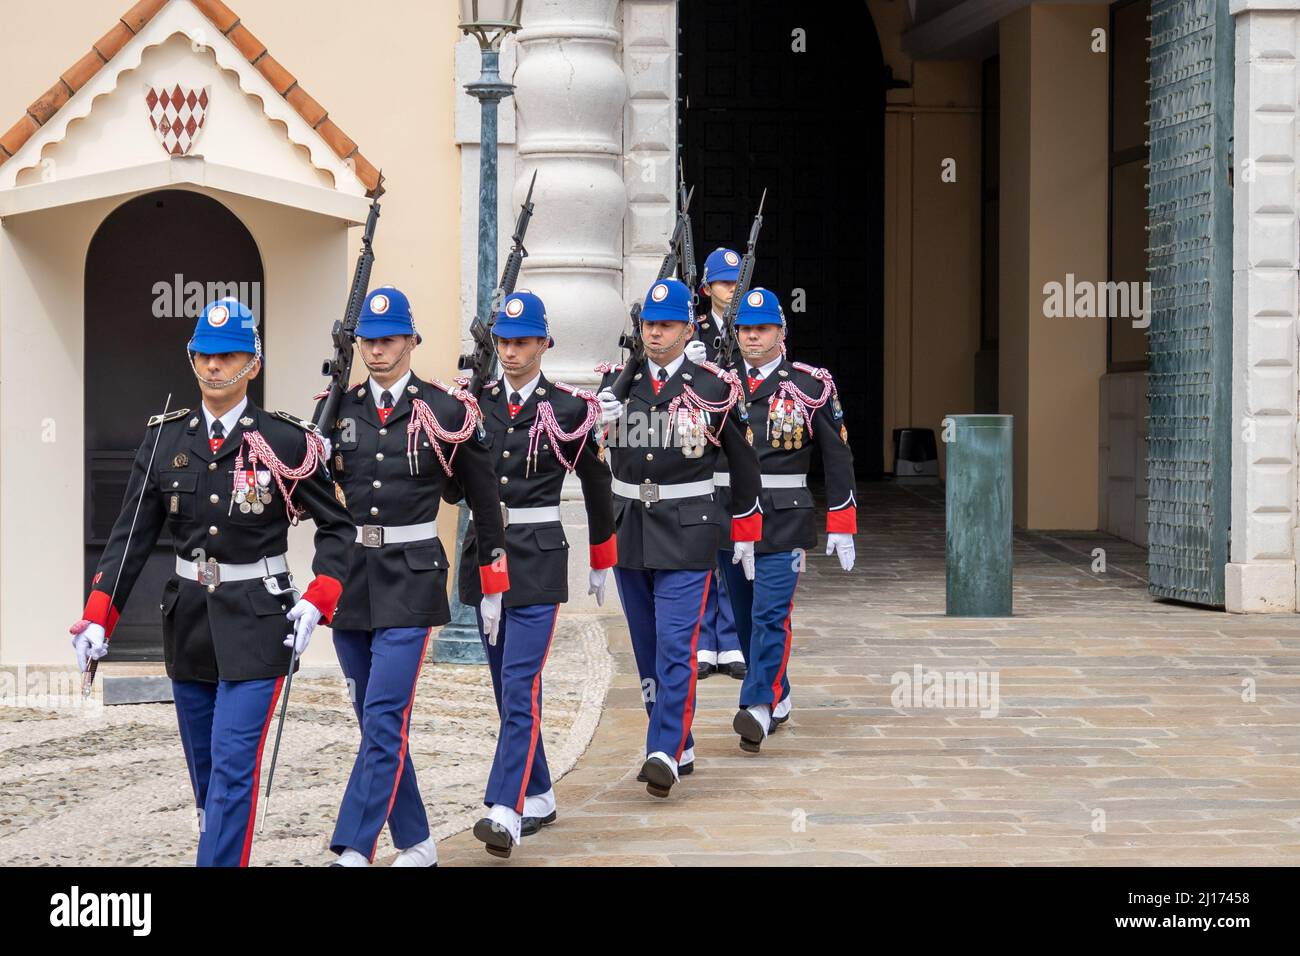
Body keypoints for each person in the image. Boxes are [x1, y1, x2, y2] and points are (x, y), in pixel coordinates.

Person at [70, 297, 354, 867]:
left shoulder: (286, 441)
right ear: (191, 358)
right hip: (190, 622)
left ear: (253, 361)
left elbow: (339, 528)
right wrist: (100, 615)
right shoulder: (164, 440)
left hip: (258, 619)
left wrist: (319, 598)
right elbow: (130, 536)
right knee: (206, 771)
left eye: (228, 356)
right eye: (205, 355)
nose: (215, 367)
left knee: (230, 768)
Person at [318, 286, 510, 868]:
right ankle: (419, 841)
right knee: (375, 721)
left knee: (383, 715)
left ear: (411, 342)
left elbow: (484, 501)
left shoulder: (445, 411)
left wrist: (493, 587)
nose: (377, 351)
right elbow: (305, 495)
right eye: (369, 342)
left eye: (389, 341)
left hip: (410, 577)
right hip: (351, 577)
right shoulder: (336, 410)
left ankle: (355, 845)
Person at [447, 290, 615, 858]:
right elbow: (453, 489)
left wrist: (601, 554)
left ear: (545, 343)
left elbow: (596, 484)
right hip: (485, 553)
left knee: (520, 682)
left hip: (540, 555)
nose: (512, 351)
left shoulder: (570, 408)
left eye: (523, 342)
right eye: (504, 342)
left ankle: (505, 806)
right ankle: (539, 789)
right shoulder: (476, 404)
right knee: (505, 687)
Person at [595, 277, 763, 798]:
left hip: (688, 529)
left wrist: (745, 530)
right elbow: (594, 463)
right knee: (646, 647)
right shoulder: (616, 385)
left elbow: (743, 463)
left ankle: (663, 747)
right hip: (632, 530)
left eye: (666, 325)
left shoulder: (713, 387)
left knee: (675, 645)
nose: (655, 333)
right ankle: (676, 735)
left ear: (688, 329)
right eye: (648, 324)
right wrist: (600, 425)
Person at [712, 288, 856, 753]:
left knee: (770, 613)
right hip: (730, 516)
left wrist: (842, 519)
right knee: (743, 614)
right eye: (745, 330)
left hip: (784, 518)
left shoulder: (810, 384)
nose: (753, 338)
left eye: (762, 329)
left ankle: (756, 704)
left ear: (781, 332)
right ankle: (780, 691)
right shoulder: (717, 382)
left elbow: (837, 455)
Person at [689, 247, 747, 680]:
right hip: (702, 447)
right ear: (708, 288)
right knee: (707, 545)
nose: (733, 289)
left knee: (735, 544)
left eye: (738, 281)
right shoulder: (695, 330)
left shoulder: (755, 328)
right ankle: (705, 638)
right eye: (726, 283)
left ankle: (731, 638)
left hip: (738, 448)